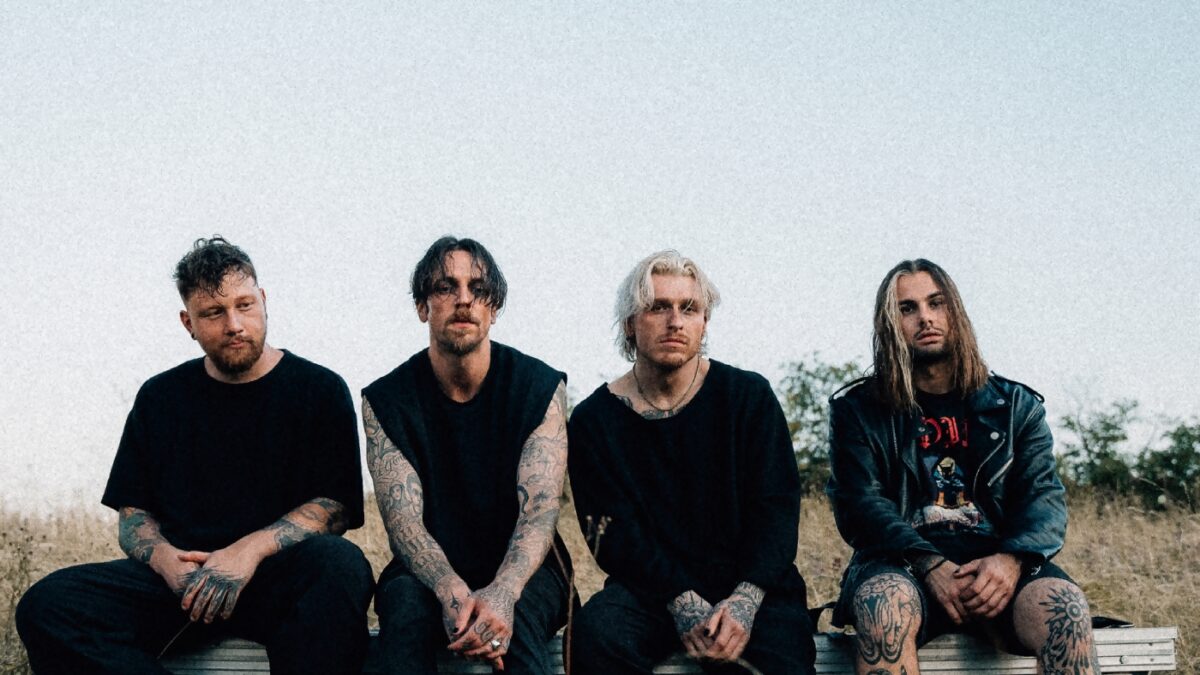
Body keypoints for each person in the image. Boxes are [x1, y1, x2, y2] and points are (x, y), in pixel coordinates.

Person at [16, 236, 374, 675]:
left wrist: (247, 552)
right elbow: (132, 514)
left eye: (245, 306)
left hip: (274, 577)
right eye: (213, 313)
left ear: (263, 301)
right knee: (48, 605)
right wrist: (166, 561)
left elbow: (334, 509)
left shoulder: (318, 390)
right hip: (179, 586)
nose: (234, 324)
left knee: (341, 565)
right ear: (189, 322)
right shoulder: (160, 398)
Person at [827, 258, 1099, 675]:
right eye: (907, 308)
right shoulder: (859, 410)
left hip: (998, 567)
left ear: (955, 310)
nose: (925, 318)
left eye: (936, 303)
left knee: (1066, 609)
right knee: (884, 604)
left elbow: (1043, 498)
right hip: (901, 565)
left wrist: (1012, 560)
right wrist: (928, 562)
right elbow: (859, 503)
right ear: (889, 324)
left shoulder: (1016, 407)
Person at [568, 250, 816, 675]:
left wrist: (744, 601)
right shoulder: (594, 420)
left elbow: (776, 511)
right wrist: (680, 601)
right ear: (630, 323)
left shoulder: (748, 397)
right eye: (658, 307)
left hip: (751, 588)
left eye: (689, 308)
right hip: (651, 593)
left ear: (705, 322)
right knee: (598, 633)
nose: (675, 321)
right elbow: (614, 537)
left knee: (782, 656)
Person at [362, 236, 570, 674]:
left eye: (478, 288)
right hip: (428, 568)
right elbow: (404, 526)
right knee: (404, 610)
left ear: (494, 307)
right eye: (445, 287)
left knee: (519, 623)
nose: (463, 299)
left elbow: (538, 513)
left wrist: (504, 592)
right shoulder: (387, 399)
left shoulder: (539, 386)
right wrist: (450, 590)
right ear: (422, 307)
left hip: (525, 567)